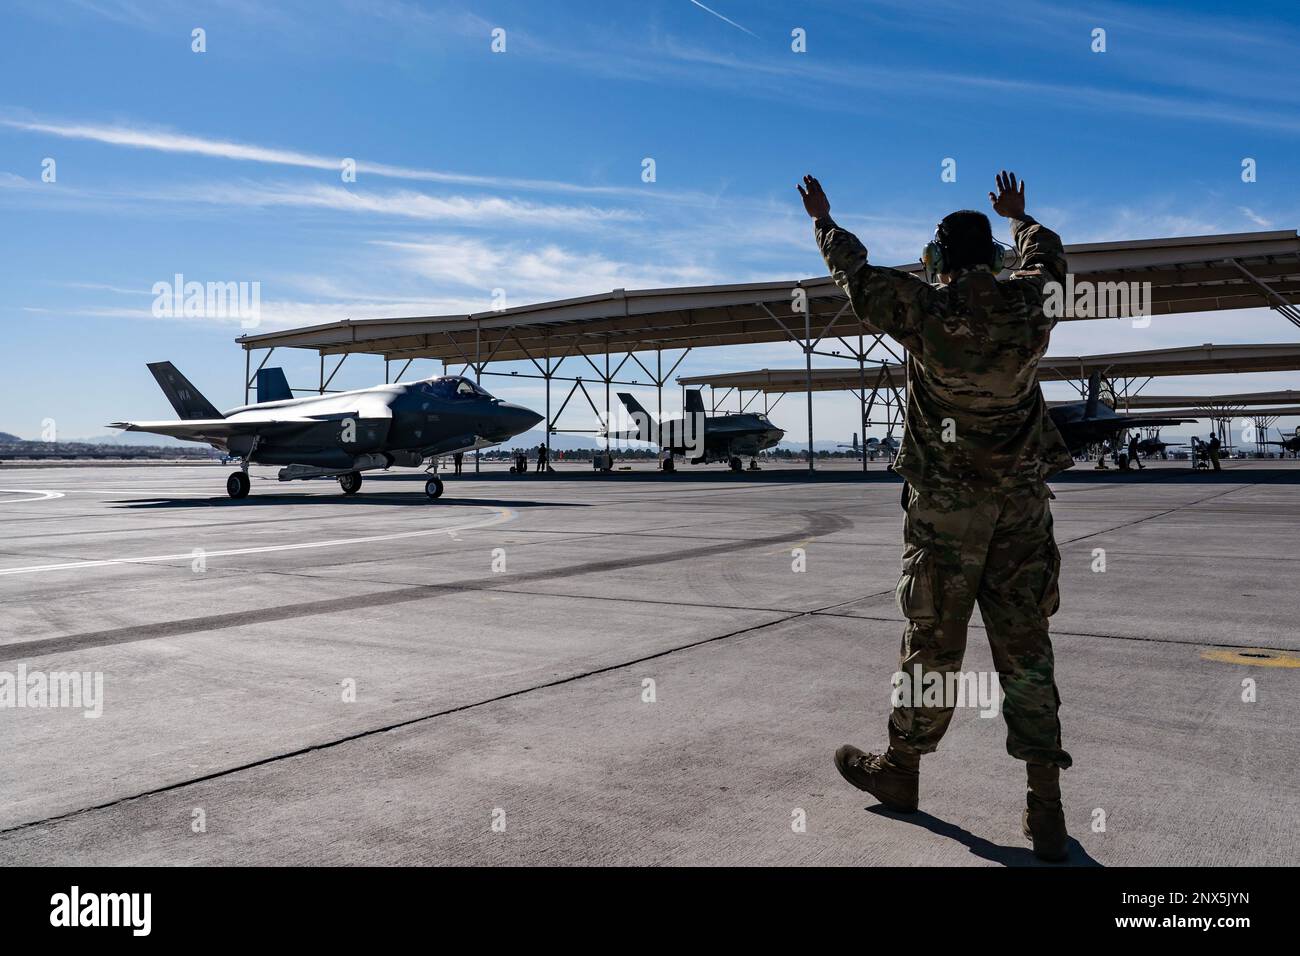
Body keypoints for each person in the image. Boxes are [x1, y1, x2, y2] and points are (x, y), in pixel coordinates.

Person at [800, 170, 1074, 862]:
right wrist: (1020, 217)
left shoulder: (922, 309)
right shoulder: (1030, 304)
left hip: (946, 517)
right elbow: (1052, 256)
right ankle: (1046, 810)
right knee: (1027, 652)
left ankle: (902, 771)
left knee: (932, 648)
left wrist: (823, 220)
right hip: (1020, 513)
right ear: (994, 256)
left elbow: (855, 275)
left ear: (941, 259)